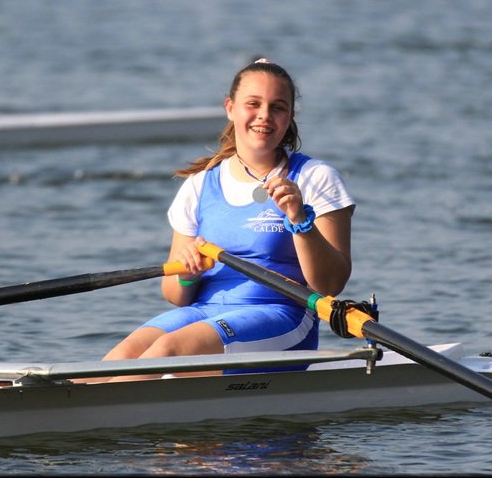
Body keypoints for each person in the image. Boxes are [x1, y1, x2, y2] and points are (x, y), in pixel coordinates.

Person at [97, 58, 355, 381]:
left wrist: (299, 219)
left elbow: (331, 284)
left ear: (290, 117)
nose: (264, 115)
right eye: (253, 104)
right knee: (120, 357)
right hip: (204, 311)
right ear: (230, 108)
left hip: (282, 316)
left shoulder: (316, 178)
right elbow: (175, 294)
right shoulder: (199, 185)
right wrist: (187, 274)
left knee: (167, 351)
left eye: (277, 107)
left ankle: (111, 412)